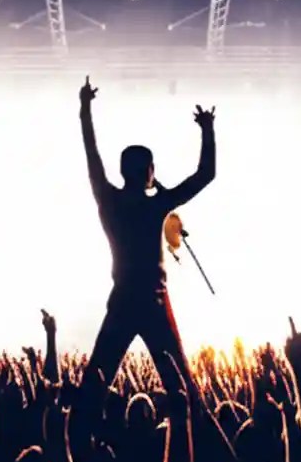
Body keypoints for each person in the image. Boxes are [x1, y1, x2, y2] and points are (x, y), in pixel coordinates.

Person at [76, 75, 216, 404]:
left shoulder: (108, 200)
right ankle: (199, 447)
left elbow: (91, 154)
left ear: (124, 171)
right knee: (183, 392)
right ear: (150, 170)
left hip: (122, 299)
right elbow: (206, 174)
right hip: (154, 301)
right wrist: (207, 129)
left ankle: (76, 446)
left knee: (94, 387)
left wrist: (85, 109)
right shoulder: (157, 205)